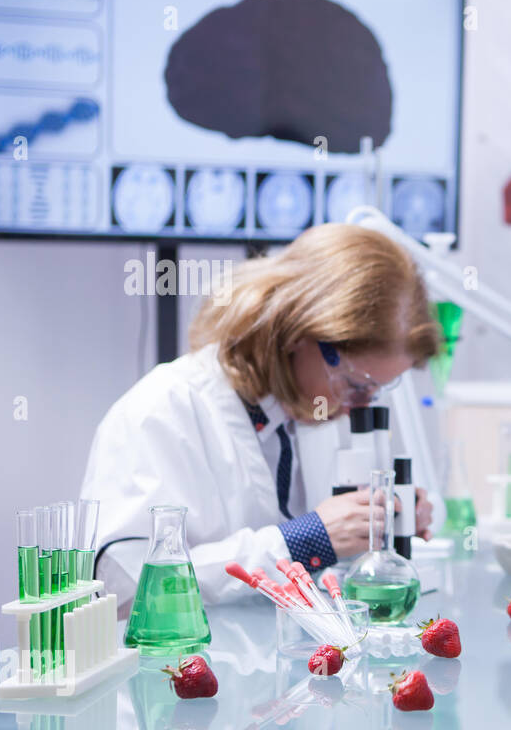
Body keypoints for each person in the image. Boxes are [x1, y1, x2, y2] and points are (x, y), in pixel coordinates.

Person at [81, 223, 440, 607]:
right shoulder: (162, 411)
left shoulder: (311, 410)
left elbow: (323, 573)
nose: (361, 406)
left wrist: (374, 532)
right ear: (297, 332)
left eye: (377, 390)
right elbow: (120, 586)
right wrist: (303, 541)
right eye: (356, 384)